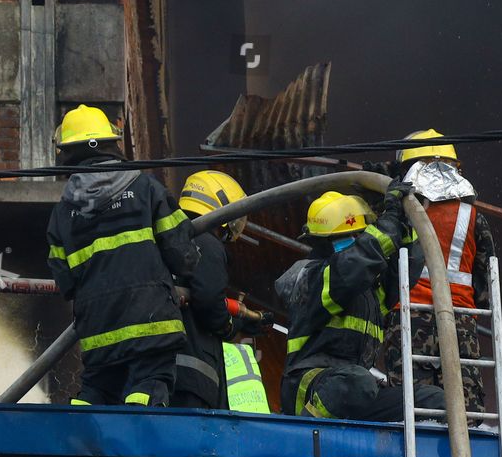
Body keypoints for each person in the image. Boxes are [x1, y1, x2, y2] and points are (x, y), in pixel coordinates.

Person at [45, 104, 199, 406]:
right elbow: (182, 252)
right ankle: (138, 429)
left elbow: (64, 280)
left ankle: (82, 440)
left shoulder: (62, 212)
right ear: (111, 144)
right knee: (151, 381)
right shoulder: (145, 188)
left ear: (67, 152)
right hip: (151, 320)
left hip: (98, 327)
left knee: (97, 389)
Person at [277, 184, 446, 420]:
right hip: (314, 387)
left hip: (357, 392)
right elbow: (359, 260)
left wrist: (405, 219)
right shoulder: (313, 279)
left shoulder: (369, 291)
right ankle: (304, 431)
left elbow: (409, 264)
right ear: (327, 241)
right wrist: (389, 217)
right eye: (355, 236)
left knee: (434, 401)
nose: (359, 240)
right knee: (357, 382)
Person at [383, 130, 496, 416]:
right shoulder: (473, 217)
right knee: (464, 406)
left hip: (409, 320)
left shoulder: (397, 210)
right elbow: (484, 285)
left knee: (414, 405)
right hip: (460, 322)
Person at [170, 170, 273, 412]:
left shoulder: (172, 239)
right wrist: (231, 327)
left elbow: (199, 297)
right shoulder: (207, 243)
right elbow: (208, 302)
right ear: (221, 206)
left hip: (164, 373)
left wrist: (244, 319)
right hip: (192, 374)